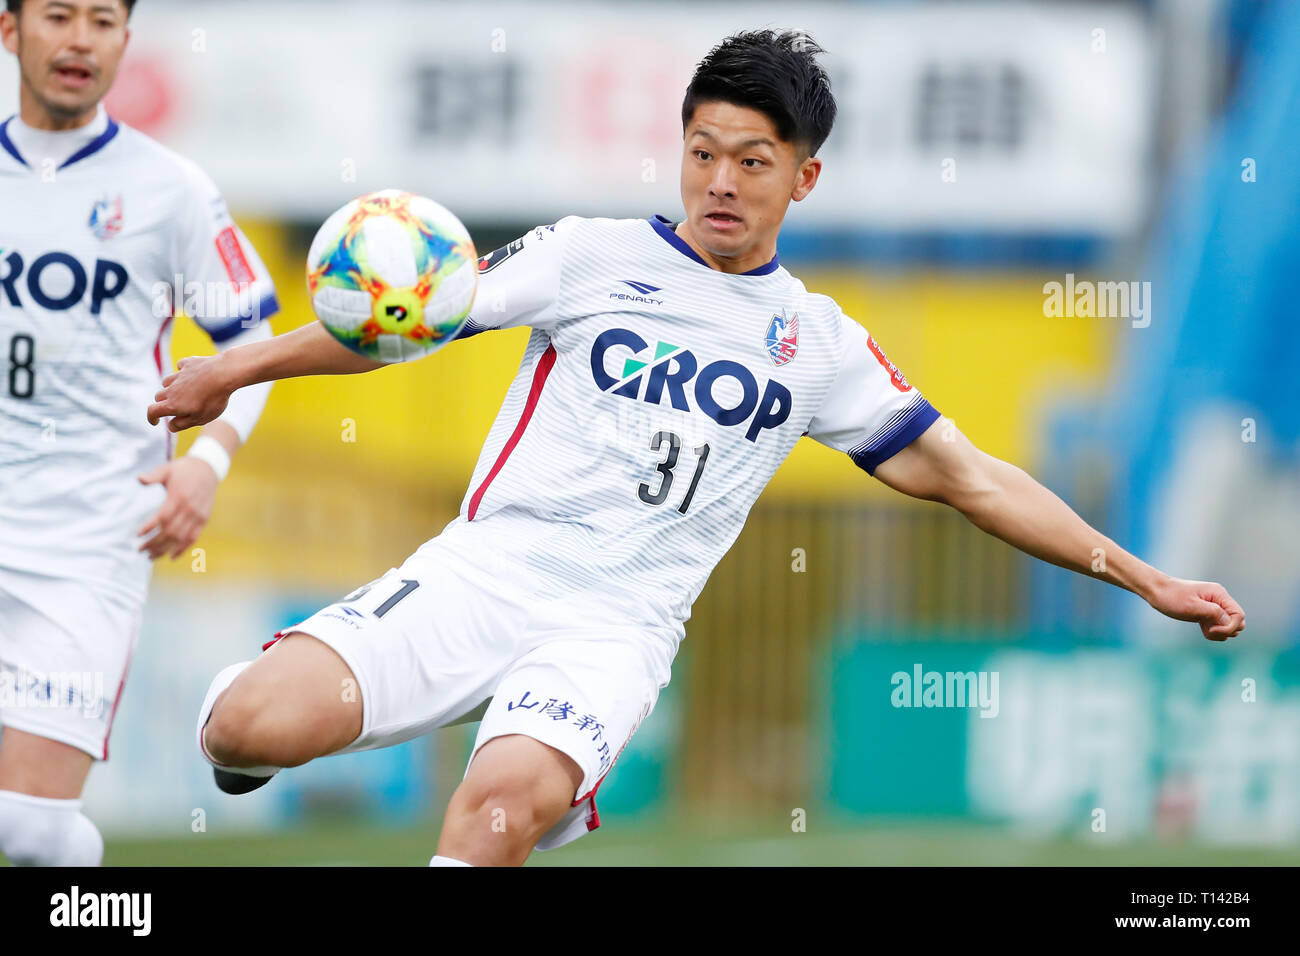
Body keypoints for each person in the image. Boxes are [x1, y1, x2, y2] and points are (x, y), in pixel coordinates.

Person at [148, 29, 1245, 867]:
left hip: (612, 628)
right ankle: (254, 735)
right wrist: (229, 368)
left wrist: (1143, 575)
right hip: (482, 572)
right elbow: (403, 324)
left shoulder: (817, 343)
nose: (721, 180)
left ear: (802, 178)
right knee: (246, 728)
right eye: (703, 151)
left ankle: (539, 767)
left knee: (492, 816)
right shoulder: (586, 256)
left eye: (754, 161)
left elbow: (970, 477)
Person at [0, 0, 278, 865]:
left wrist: (208, 462)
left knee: (32, 831)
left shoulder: (170, 190)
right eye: (57, 15)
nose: (79, 40)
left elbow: (251, 344)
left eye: (102, 21)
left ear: (125, 39)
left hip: (86, 542)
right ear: (11, 30)